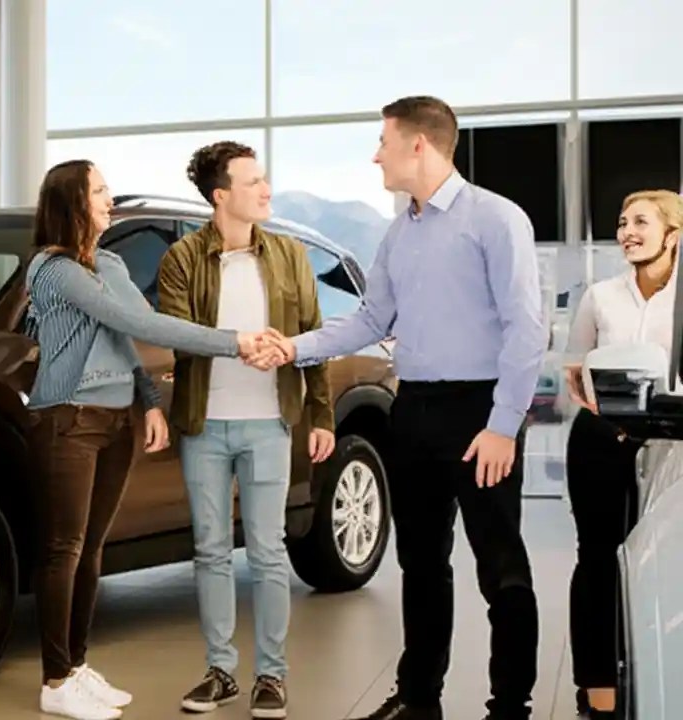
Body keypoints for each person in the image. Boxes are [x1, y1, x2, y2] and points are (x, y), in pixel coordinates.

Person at [256, 95, 548, 720]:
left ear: (420, 144)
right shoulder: (399, 231)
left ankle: (512, 706)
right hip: (413, 409)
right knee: (420, 563)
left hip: (480, 411)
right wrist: (294, 348)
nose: (375, 154)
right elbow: (369, 319)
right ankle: (421, 698)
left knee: (501, 569)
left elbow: (527, 329)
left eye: (383, 141)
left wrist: (502, 426)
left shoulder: (496, 219)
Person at [23, 159, 264, 720]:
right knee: (65, 549)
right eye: (99, 191)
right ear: (71, 203)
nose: (110, 199)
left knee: (92, 548)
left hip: (113, 423)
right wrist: (236, 342)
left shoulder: (107, 263)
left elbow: (123, 338)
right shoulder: (55, 270)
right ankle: (55, 679)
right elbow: (147, 326)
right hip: (68, 419)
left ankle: (77, 667)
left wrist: (149, 402)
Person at [155, 141, 335, 719]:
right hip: (204, 425)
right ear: (220, 195)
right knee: (209, 550)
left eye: (264, 179)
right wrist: (241, 344)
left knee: (268, 551)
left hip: (270, 424)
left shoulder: (289, 255)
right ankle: (220, 671)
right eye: (253, 181)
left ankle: (272, 677)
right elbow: (179, 334)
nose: (265, 189)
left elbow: (313, 336)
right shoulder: (181, 258)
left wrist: (322, 414)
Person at [563, 189, 682, 719]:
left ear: (673, 234)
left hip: (674, 440)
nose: (627, 231)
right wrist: (607, 411)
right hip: (601, 439)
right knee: (597, 560)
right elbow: (575, 371)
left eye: (641, 221)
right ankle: (597, 690)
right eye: (622, 221)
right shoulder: (600, 295)